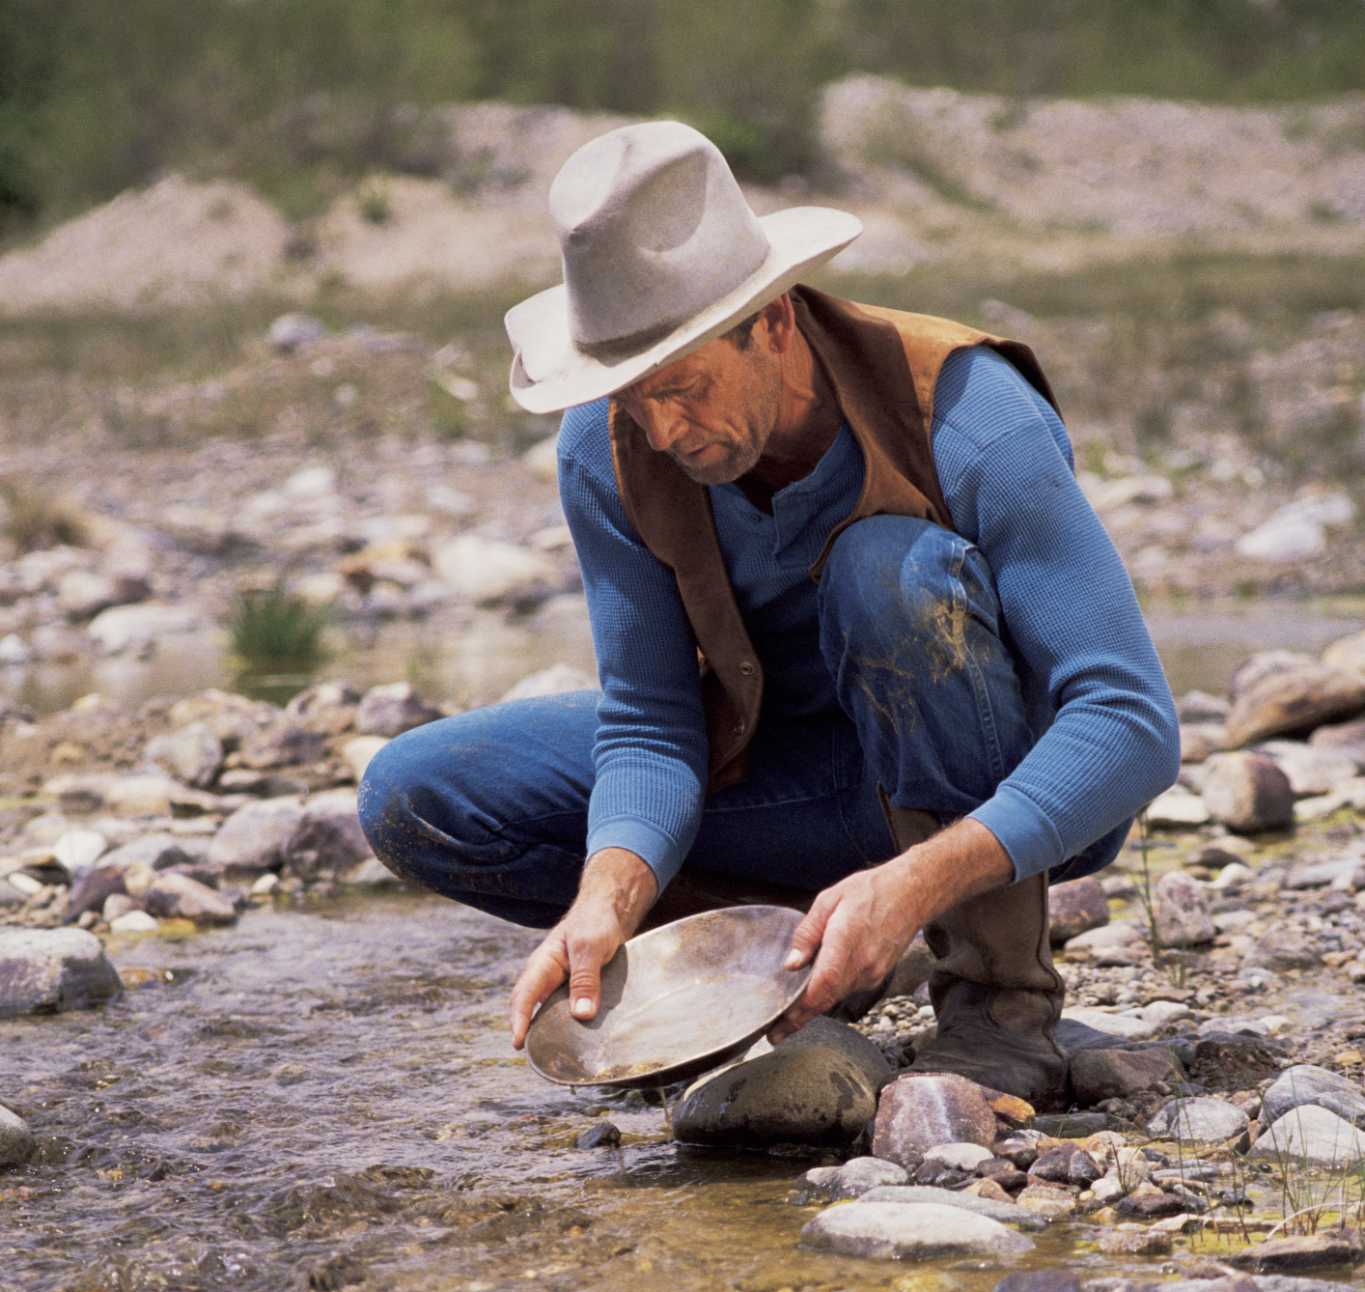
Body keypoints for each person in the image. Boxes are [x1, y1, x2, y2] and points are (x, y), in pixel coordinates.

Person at [358, 120, 1180, 1108]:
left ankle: (996, 1004)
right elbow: (652, 719)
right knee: (415, 794)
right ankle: (785, 963)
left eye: (684, 387)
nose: (662, 429)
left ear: (777, 324)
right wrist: (605, 896)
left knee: (888, 571)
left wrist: (921, 879)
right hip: (788, 779)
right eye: (631, 398)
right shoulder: (609, 447)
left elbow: (1130, 722)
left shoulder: (969, 415)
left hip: (993, 786)